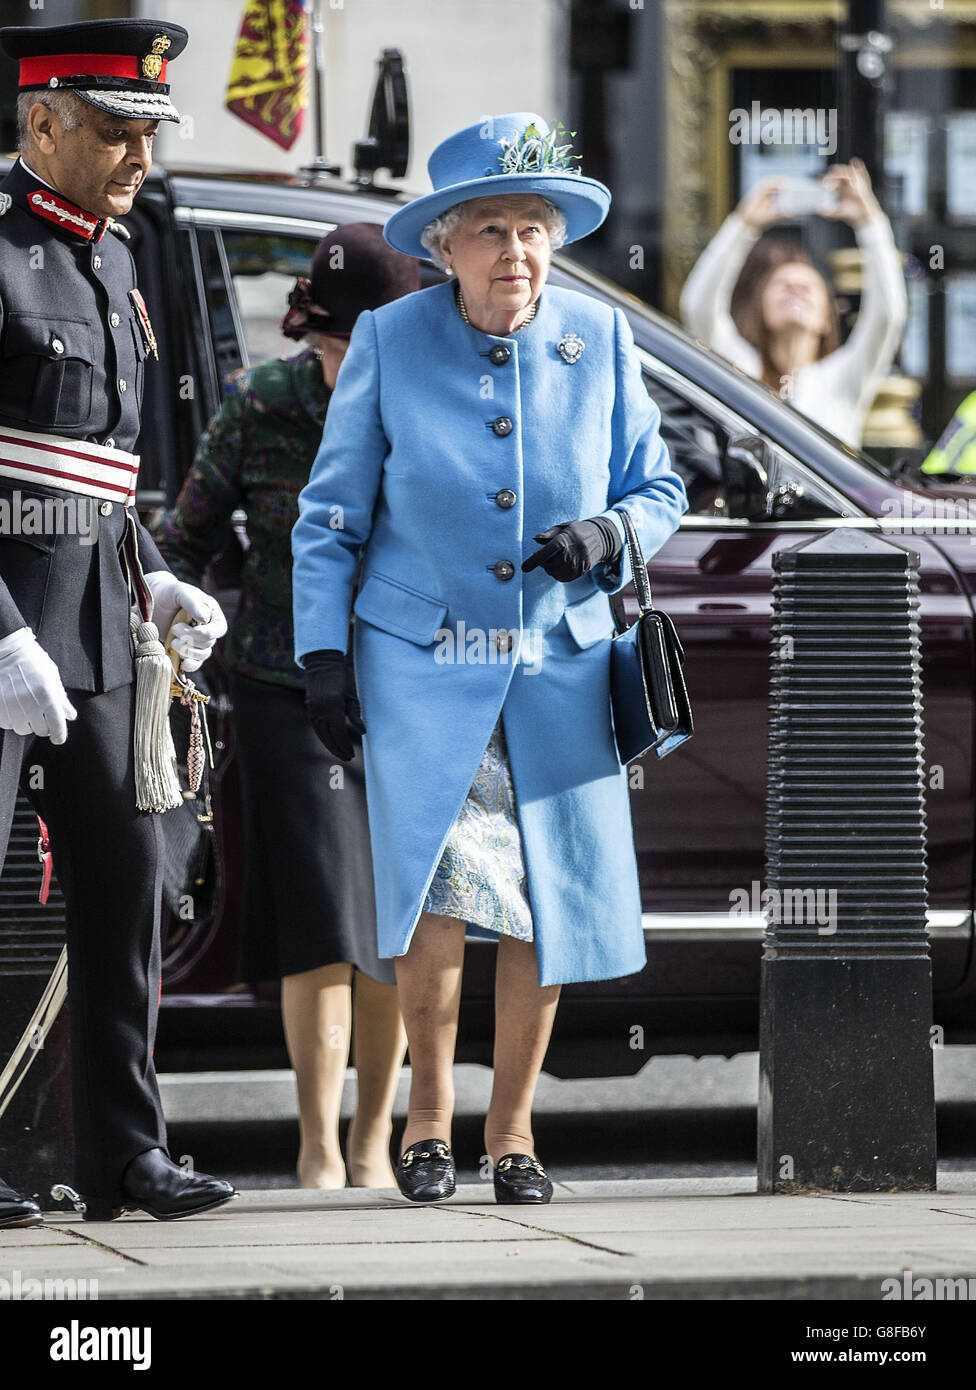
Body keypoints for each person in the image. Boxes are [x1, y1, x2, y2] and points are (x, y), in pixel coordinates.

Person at [291, 112, 688, 1205]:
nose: (518, 252)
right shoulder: (388, 340)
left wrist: (610, 537)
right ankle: (428, 1122)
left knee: (546, 898)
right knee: (444, 886)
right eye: (496, 230)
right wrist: (323, 657)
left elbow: (660, 488)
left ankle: (512, 1133)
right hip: (424, 661)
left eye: (535, 229)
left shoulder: (601, 340)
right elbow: (328, 520)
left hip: (559, 663)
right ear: (448, 244)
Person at [0, 19, 235, 1227]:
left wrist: (154, 575)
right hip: (5, 633)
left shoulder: (115, 258)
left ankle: (124, 1156)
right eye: (113, 126)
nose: (139, 149)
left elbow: (92, 468)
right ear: (42, 124)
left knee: (129, 878)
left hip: (93, 631)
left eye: (149, 127)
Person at [158, 225, 418, 1189]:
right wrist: (174, 626)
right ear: (309, 334)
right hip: (284, 686)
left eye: (364, 345)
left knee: (397, 914)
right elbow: (179, 538)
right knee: (322, 915)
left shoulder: (425, 405)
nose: (345, 362)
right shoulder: (259, 404)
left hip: (407, 685)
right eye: (333, 344)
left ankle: (376, 1144)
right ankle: (315, 1144)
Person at [679, 158, 906, 450]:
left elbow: (888, 316)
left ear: (827, 318)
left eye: (808, 288)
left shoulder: (842, 380)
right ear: (760, 308)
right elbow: (697, 307)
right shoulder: (736, 366)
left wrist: (870, 222)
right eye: (783, 287)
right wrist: (742, 225)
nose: (796, 292)